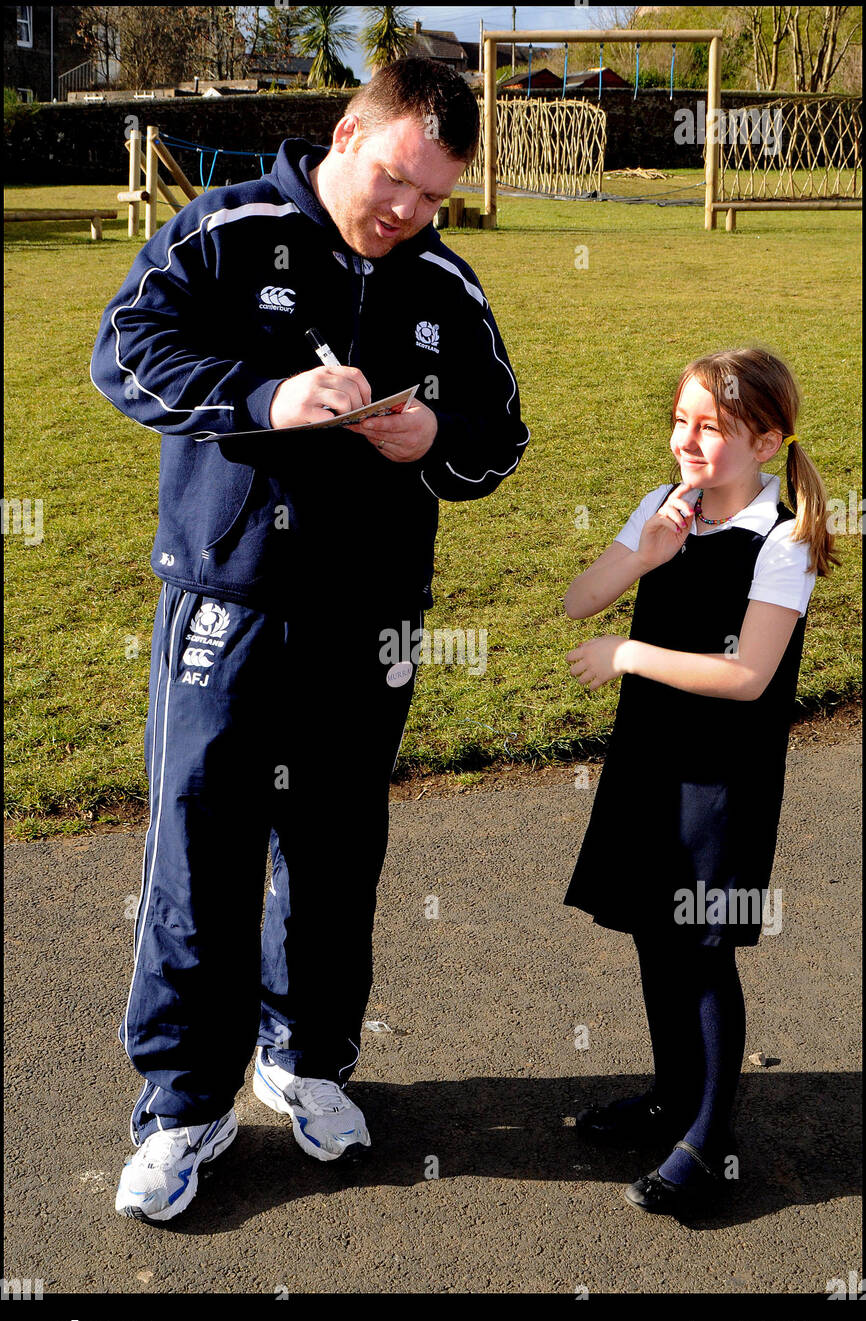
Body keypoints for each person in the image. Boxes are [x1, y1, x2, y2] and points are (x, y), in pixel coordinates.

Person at [90, 58, 529, 1222]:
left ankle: (307, 1058)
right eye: (394, 182)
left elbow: (499, 437)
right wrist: (267, 399)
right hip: (227, 602)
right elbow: (125, 350)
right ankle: (183, 1105)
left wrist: (433, 432)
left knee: (336, 847)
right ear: (347, 134)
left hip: (370, 619)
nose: (405, 215)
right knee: (200, 844)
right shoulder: (228, 231)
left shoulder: (442, 283)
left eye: (432, 199)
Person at [561, 347, 835, 1215]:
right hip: (651, 761)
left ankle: (710, 1137)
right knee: (653, 930)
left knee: (704, 952)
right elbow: (579, 602)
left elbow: (750, 675)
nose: (687, 441)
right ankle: (672, 1099)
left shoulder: (784, 539)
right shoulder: (661, 507)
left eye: (709, 428)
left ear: (766, 442)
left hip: (722, 778)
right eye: (680, 421)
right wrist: (644, 556)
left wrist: (629, 654)